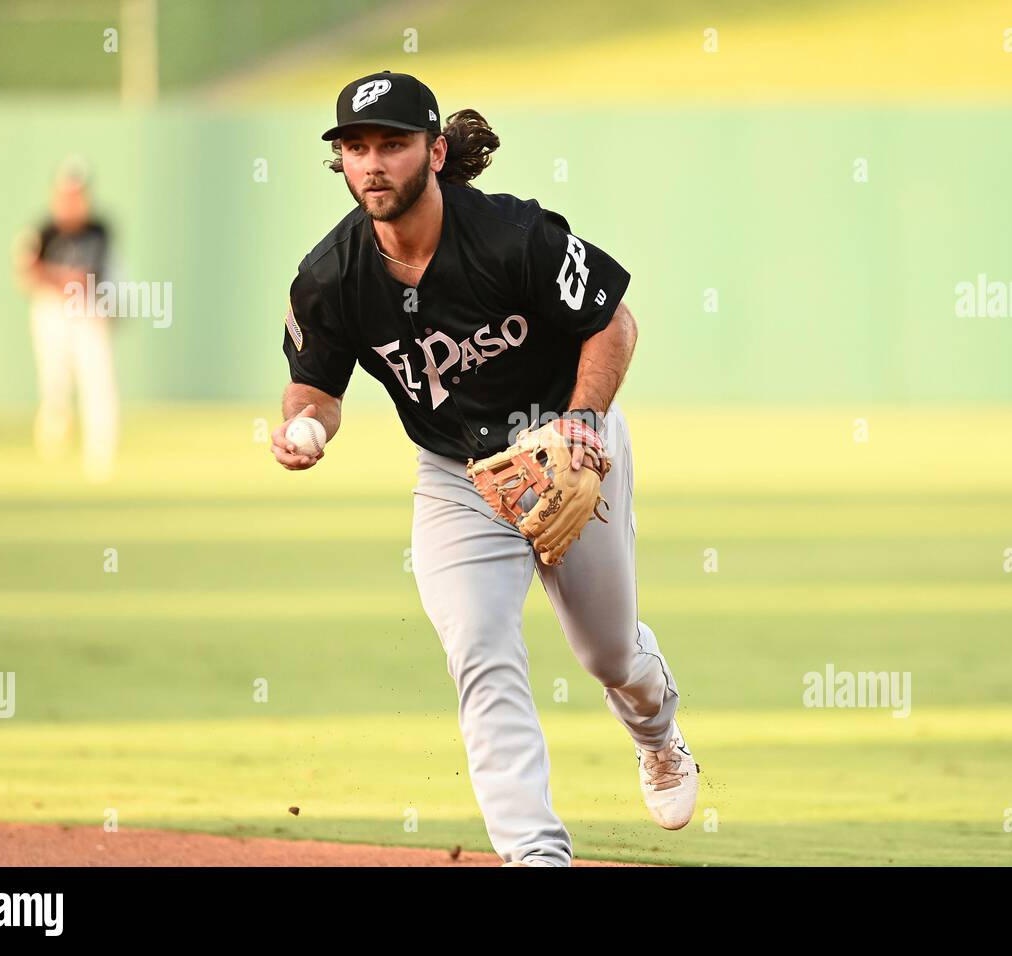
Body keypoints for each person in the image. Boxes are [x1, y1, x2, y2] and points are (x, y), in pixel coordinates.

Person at [271, 71, 697, 867]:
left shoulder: (512, 236)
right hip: (456, 477)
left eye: (391, 145)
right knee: (479, 647)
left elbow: (614, 324)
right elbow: (316, 387)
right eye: (355, 148)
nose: (372, 163)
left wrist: (581, 422)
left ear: (435, 152)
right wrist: (305, 428)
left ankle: (659, 734)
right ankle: (536, 853)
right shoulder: (331, 276)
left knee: (608, 654)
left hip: (569, 447)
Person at [13, 158, 118, 482]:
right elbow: (26, 271)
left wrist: (108, 306)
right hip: (51, 311)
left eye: (79, 193)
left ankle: (100, 453)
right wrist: (60, 277)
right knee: (54, 382)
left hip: (86, 310)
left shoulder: (99, 229)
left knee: (97, 379)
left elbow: (100, 275)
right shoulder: (43, 230)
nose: (74, 199)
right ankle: (53, 444)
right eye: (68, 193)